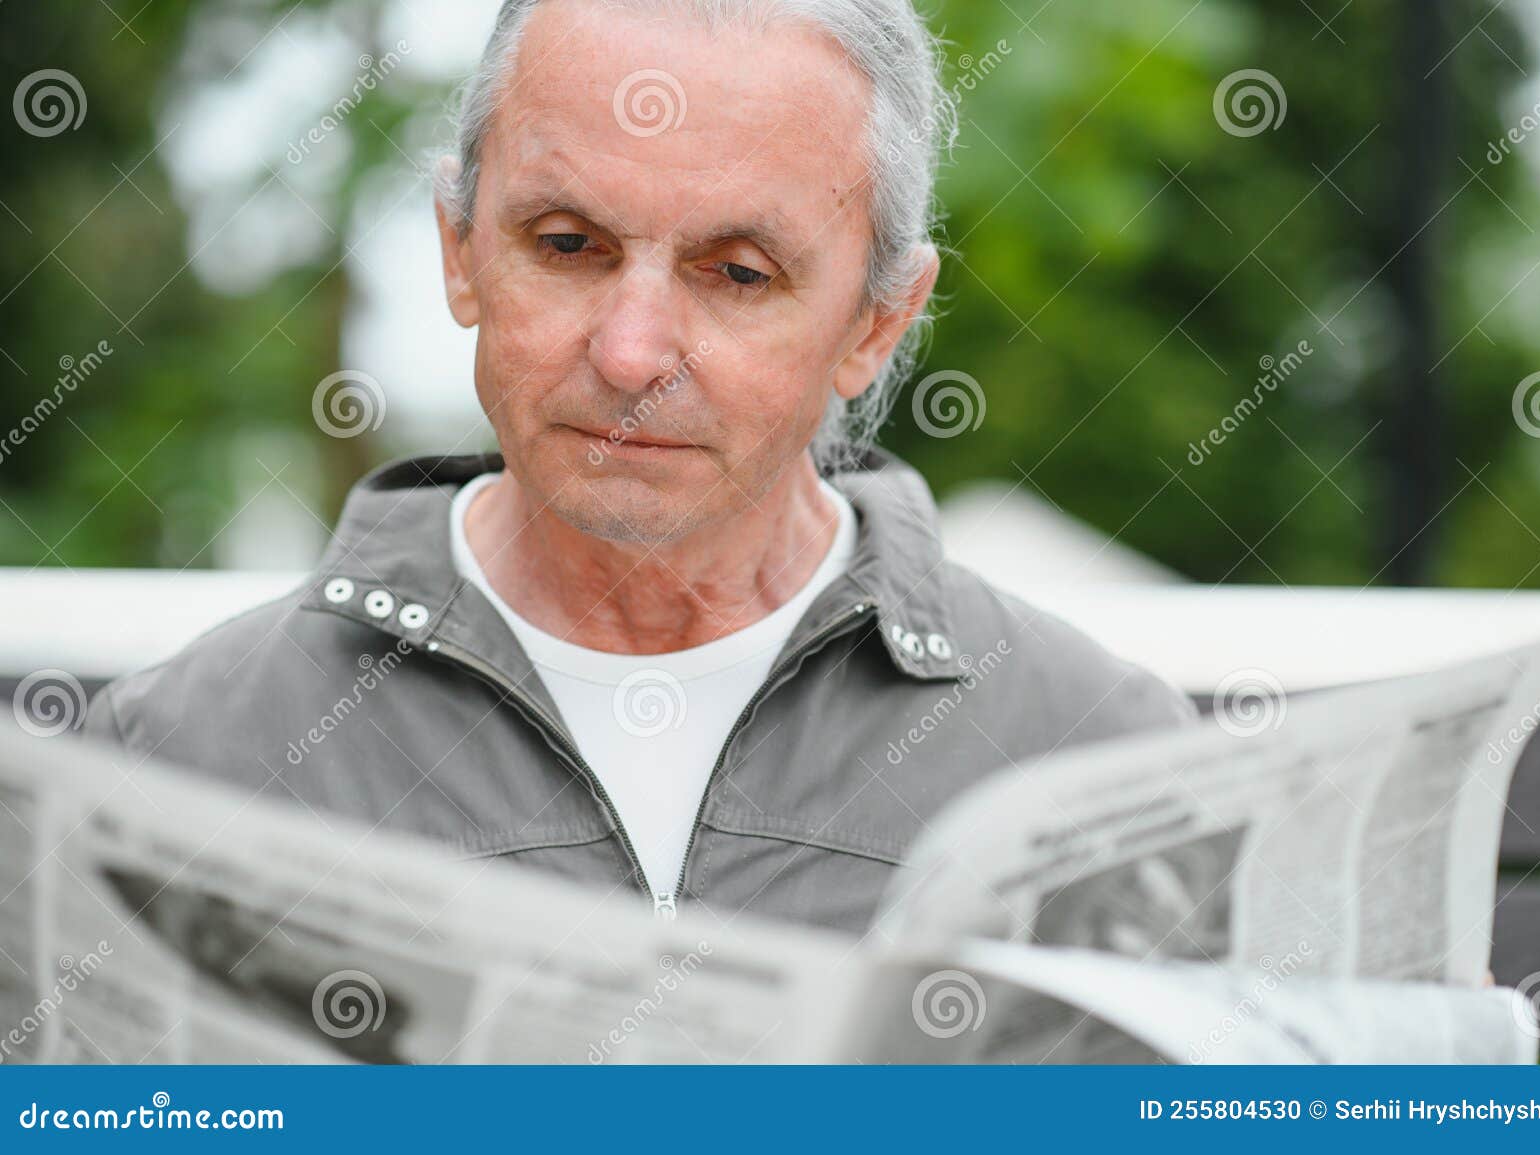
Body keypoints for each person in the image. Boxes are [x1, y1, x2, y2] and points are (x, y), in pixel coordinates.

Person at [85, 0, 1194, 935]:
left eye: (738, 273)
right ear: (458, 253)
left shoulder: (1101, 766)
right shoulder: (178, 757)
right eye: (568, 246)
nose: (630, 354)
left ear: (876, 323)